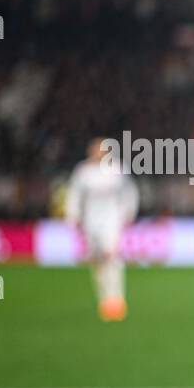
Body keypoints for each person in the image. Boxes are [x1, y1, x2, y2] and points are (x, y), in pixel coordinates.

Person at [65, 137, 138, 321]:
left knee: (111, 256)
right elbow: (74, 195)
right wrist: (73, 216)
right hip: (91, 221)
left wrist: (128, 213)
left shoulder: (116, 170)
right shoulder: (83, 172)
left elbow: (129, 192)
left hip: (111, 220)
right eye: (96, 149)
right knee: (97, 261)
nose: (99, 153)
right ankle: (104, 299)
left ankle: (116, 299)